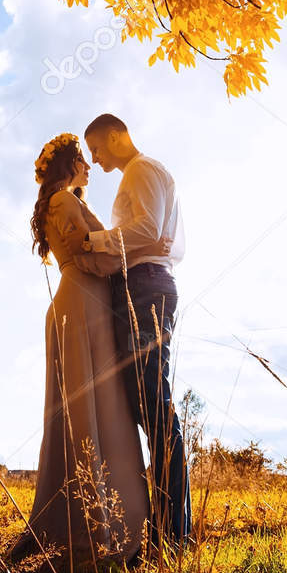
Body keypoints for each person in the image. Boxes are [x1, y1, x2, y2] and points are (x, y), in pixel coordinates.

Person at [14, 132, 171, 571]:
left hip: (84, 304)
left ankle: (97, 515)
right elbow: (91, 256)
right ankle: (103, 524)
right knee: (97, 407)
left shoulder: (64, 202)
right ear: (70, 167)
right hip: (84, 305)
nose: (89, 167)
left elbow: (91, 248)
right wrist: (140, 250)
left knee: (96, 406)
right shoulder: (64, 202)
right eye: (84, 160)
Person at [81, 113, 191, 546]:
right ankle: (168, 527)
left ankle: (175, 534)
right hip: (143, 285)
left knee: (153, 405)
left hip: (147, 288)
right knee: (146, 404)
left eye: (97, 150)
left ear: (115, 135)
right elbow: (150, 235)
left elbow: (148, 230)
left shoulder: (142, 170)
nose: (97, 160)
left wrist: (93, 241)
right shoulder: (143, 173)